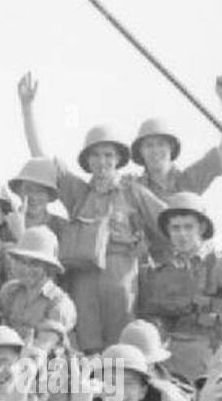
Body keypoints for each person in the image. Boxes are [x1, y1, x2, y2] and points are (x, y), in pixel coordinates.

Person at [18, 75, 167, 351]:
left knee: (122, 349)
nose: (102, 162)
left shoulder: (133, 191)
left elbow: (170, 222)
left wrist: (151, 248)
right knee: (87, 347)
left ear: (118, 160)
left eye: (109, 155)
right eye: (96, 156)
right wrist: (28, 109)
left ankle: (120, 394)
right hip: (84, 279)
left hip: (121, 276)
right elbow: (42, 157)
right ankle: (89, 396)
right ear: (87, 161)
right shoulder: (79, 193)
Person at [137, 196, 222, 385]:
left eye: (188, 227)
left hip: (206, 357)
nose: (182, 234)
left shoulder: (220, 262)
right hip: (167, 359)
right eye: (175, 228)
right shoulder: (163, 270)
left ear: (202, 229)